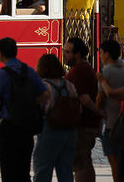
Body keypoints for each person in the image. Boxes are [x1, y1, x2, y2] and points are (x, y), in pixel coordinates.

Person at [0, 37, 49, 182]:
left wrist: (4, 109)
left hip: (9, 127)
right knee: (23, 172)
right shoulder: (28, 70)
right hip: (26, 129)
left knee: (9, 172)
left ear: (0, 54)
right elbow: (45, 94)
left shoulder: (4, 73)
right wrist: (30, 104)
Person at [63, 37, 103, 182]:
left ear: (77, 54)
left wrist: (100, 113)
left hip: (83, 124)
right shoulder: (83, 68)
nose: (64, 55)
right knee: (84, 161)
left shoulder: (80, 70)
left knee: (80, 163)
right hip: (86, 123)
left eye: (67, 52)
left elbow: (85, 99)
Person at [33, 53, 78, 182]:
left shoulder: (44, 86)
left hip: (50, 130)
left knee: (43, 170)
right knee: (65, 170)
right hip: (69, 131)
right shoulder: (69, 85)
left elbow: (39, 108)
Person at [96, 39, 124, 182]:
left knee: (115, 162)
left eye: (101, 53)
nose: (100, 56)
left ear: (107, 54)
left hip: (111, 122)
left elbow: (100, 98)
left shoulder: (106, 72)